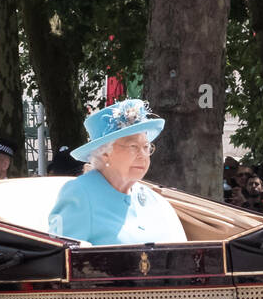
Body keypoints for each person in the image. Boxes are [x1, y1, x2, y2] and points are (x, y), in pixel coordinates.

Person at [48, 99, 185, 246]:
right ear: (105, 153)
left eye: (146, 147)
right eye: (133, 146)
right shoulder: (80, 195)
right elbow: (62, 260)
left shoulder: (156, 201)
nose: (142, 155)